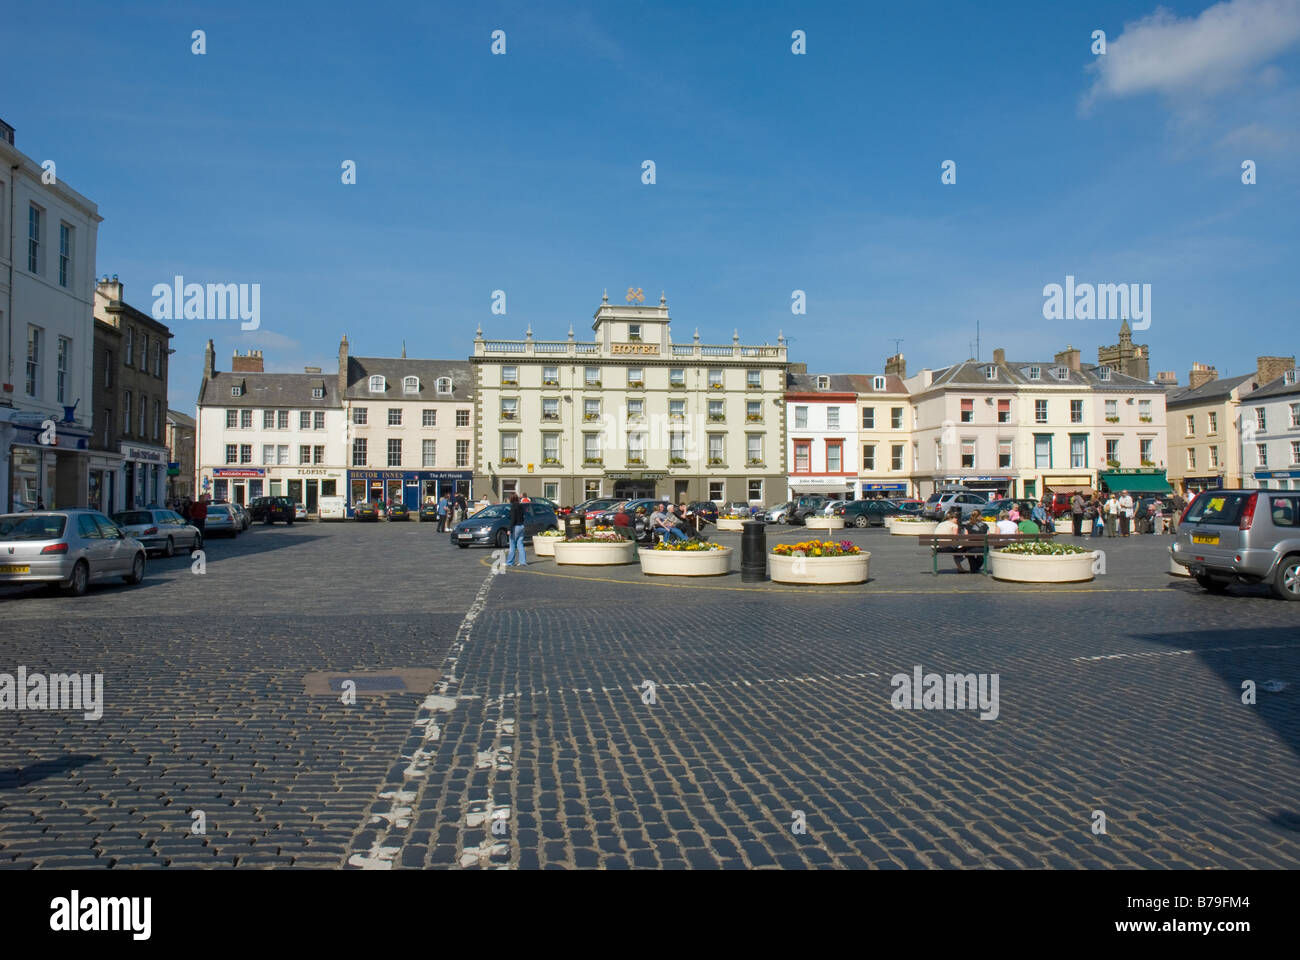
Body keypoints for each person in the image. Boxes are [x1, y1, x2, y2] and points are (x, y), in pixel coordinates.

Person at [502, 493, 527, 567]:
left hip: (515, 527)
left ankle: (510, 562)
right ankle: (522, 562)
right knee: (520, 544)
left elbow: (513, 519)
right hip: (521, 526)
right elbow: (522, 516)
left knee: (512, 545)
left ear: (511, 499)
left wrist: (509, 529)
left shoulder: (513, 507)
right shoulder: (520, 506)